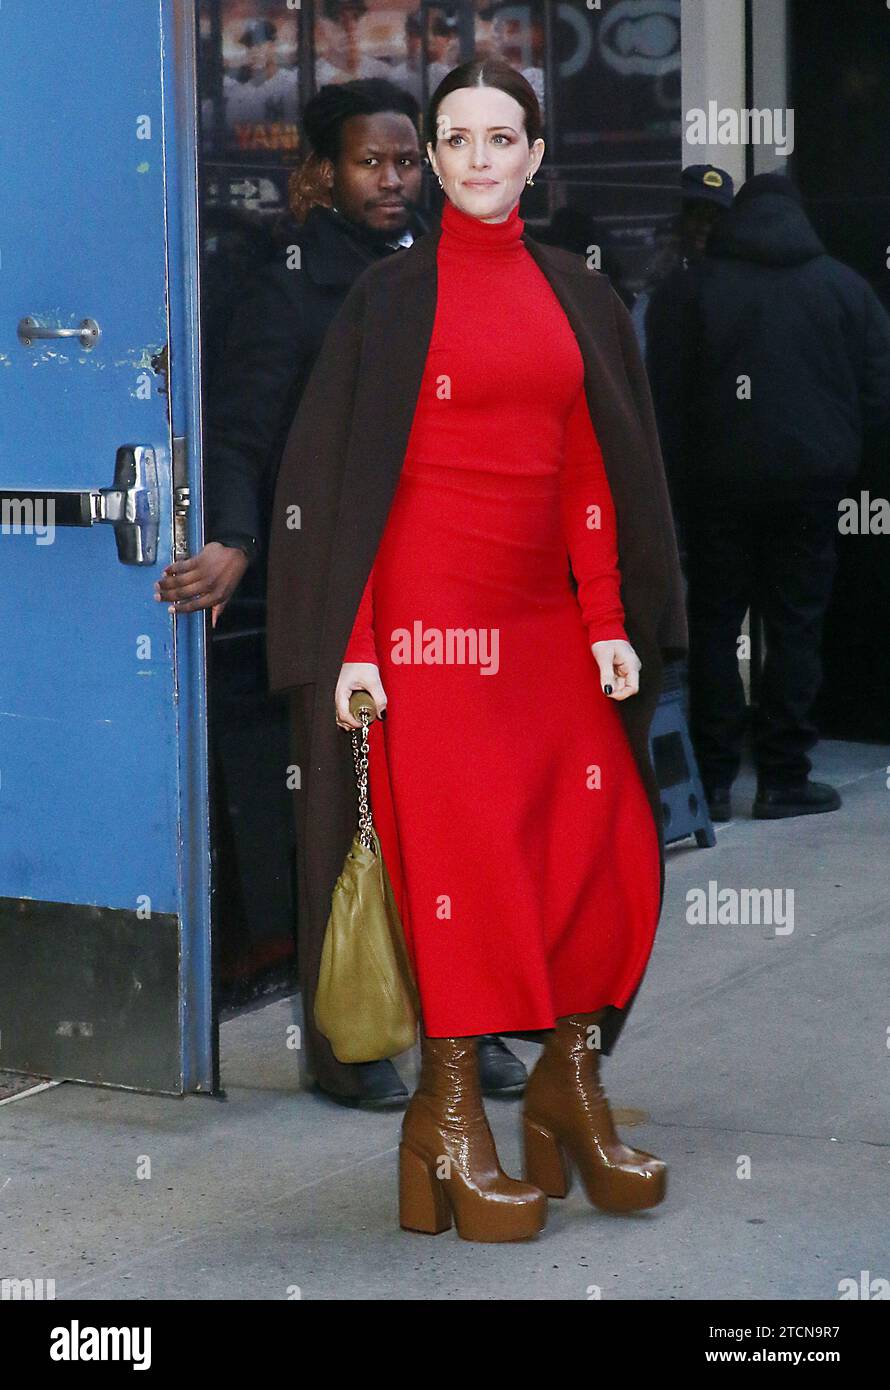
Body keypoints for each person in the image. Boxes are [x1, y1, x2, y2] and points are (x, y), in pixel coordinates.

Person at [266, 59, 686, 1241]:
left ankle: (565, 1076)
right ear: (437, 160)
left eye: (503, 137)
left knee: (600, 853)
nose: (479, 157)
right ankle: (450, 1114)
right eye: (456, 138)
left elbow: (595, 472)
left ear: (535, 156)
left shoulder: (578, 298)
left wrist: (608, 622)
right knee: (465, 875)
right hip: (422, 632)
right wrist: (353, 644)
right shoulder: (388, 301)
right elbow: (342, 486)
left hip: (545, 626)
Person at [647, 173, 890, 821]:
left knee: (715, 628)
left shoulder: (689, 290)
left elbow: (661, 403)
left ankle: (714, 782)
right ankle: (784, 777)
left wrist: (668, 488)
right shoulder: (844, 289)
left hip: (714, 490)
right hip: (809, 490)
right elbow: (878, 394)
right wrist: (844, 462)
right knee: (796, 629)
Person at [631, 164, 734, 358]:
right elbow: (638, 355)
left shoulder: (738, 281)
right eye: (695, 214)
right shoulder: (660, 281)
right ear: (680, 218)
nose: (703, 226)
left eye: (713, 218)